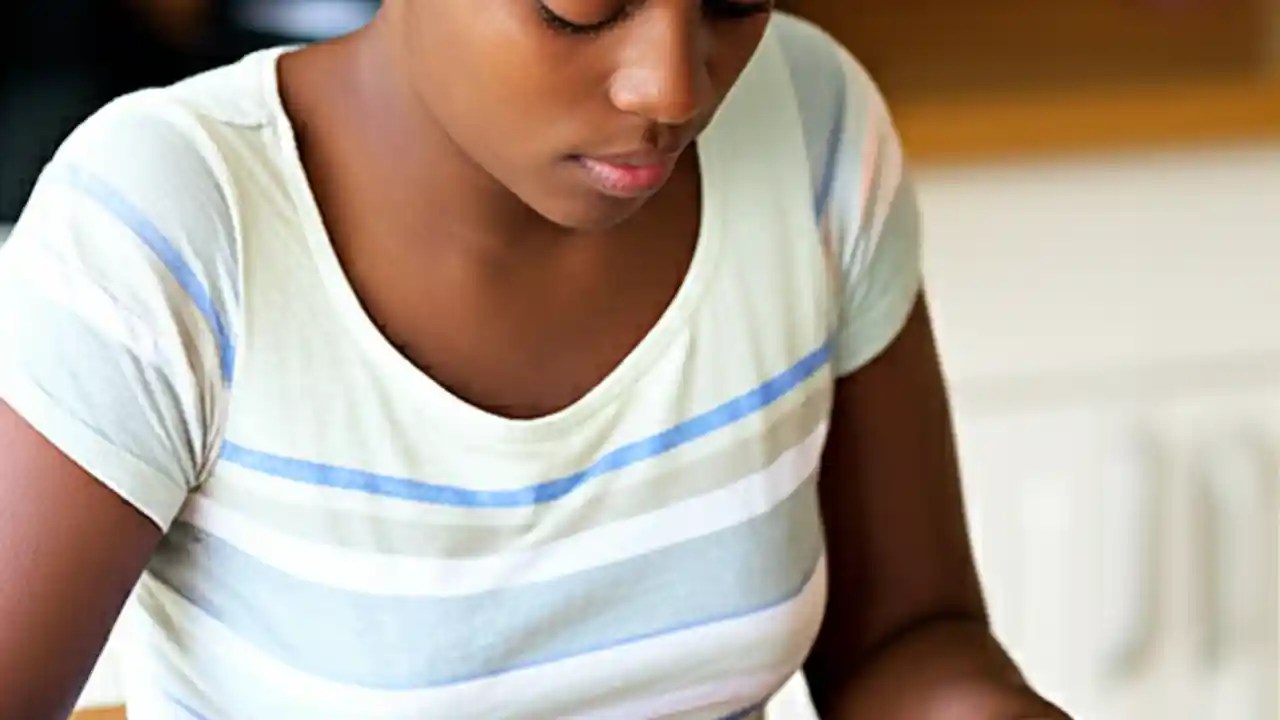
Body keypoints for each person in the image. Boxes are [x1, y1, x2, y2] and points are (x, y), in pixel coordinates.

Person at [0, 1, 1069, 718]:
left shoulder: (811, 125)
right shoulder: (176, 226)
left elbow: (906, 644)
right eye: (580, 4)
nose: (671, 87)